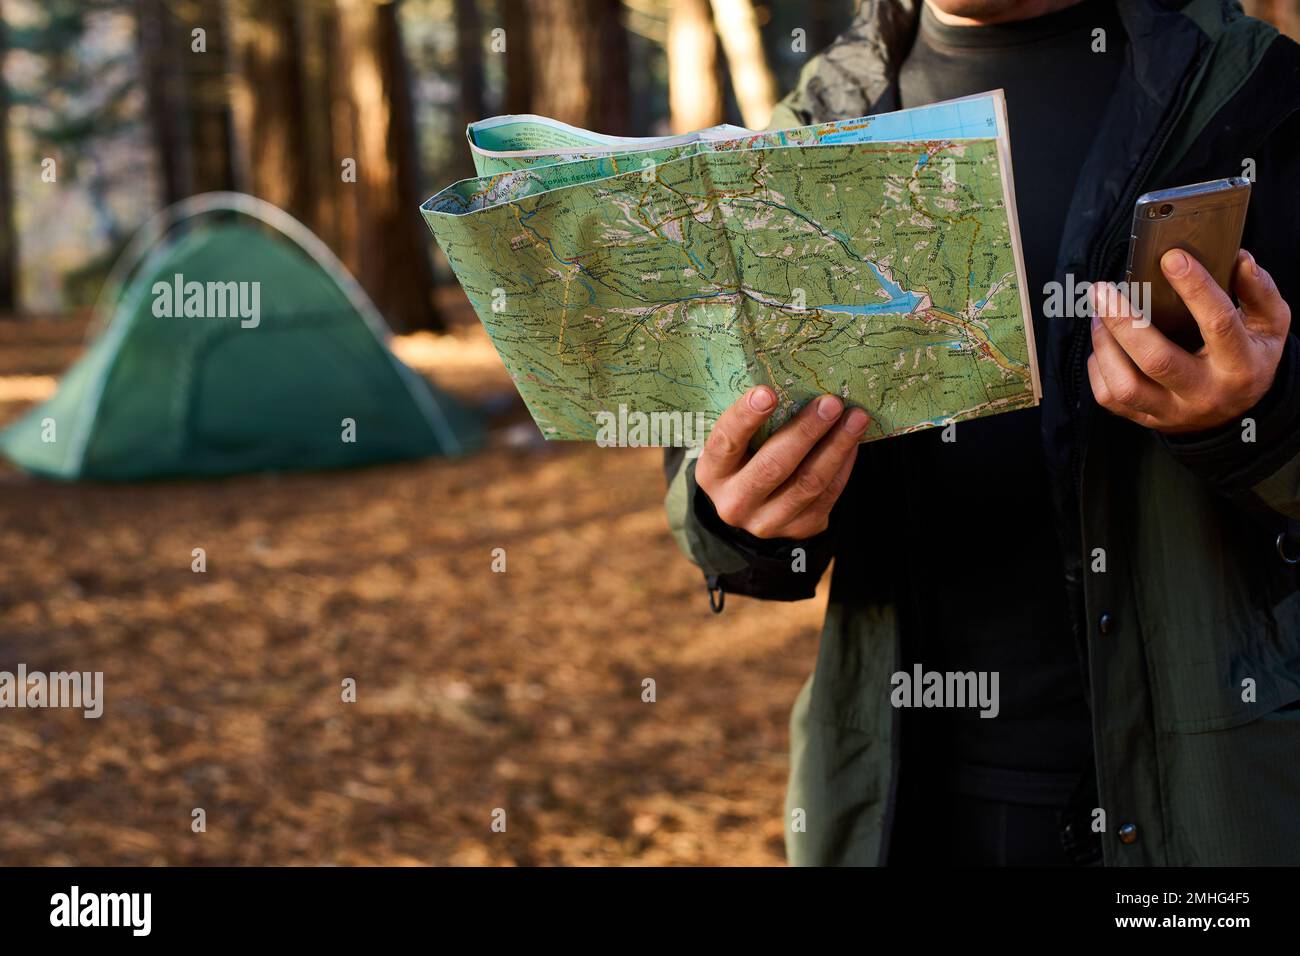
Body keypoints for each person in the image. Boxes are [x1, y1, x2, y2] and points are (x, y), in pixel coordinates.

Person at [664, 0, 1300, 866]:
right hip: (906, 802)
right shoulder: (817, 117)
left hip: (1216, 799)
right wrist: (736, 516)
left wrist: (1255, 425)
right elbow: (712, 462)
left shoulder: (1258, 92)